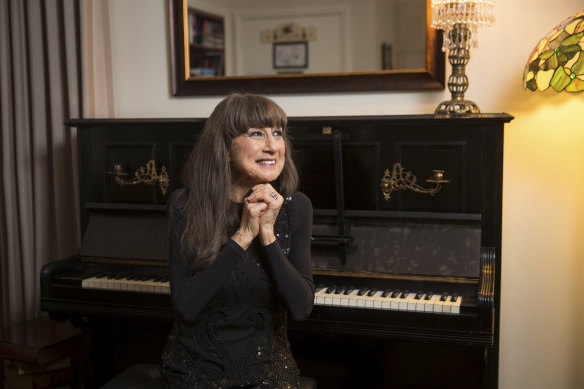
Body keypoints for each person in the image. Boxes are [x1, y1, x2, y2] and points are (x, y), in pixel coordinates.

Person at [160, 93, 314, 389]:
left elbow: (301, 309)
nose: (272, 145)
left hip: (269, 376)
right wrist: (242, 237)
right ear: (225, 148)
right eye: (256, 133)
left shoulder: (297, 207)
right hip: (194, 375)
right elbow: (186, 306)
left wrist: (267, 234)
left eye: (277, 133)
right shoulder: (185, 204)